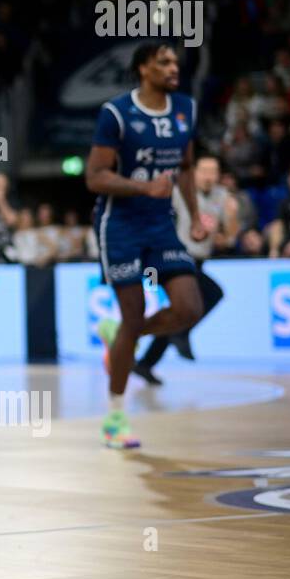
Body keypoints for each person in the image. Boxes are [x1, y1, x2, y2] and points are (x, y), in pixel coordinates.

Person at [86, 42, 205, 449]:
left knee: (190, 307)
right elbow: (95, 177)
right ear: (143, 69)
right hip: (118, 223)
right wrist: (142, 186)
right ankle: (115, 419)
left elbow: (186, 167)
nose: (174, 67)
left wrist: (196, 215)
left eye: (175, 61)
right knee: (134, 313)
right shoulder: (116, 113)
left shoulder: (186, 107)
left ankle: (121, 336)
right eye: (164, 62)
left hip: (161, 223)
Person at [134, 153, 235, 384]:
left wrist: (232, 217)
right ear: (195, 172)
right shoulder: (181, 193)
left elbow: (228, 238)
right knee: (211, 294)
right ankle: (175, 334)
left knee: (181, 313)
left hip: (199, 260)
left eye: (213, 171)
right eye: (204, 171)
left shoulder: (222, 197)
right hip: (177, 260)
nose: (209, 176)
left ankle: (146, 363)